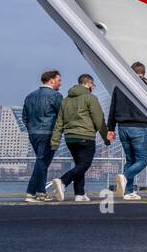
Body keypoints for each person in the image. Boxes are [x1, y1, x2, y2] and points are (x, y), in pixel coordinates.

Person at [47, 74, 113, 202]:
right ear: (89, 84)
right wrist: (106, 138)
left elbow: (59, 122)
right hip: (85, 136)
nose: (93, 87)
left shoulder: (66, 100)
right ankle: (63, 181)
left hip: (70, 138)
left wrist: (55, 141)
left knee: (79, 165)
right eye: (93, 85)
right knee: (84, 164)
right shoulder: (91, 98)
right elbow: (99, 119)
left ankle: (80, 194)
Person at [108, 61, 147, 200]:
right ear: (143, 73)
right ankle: (124, 177)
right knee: (142, 161)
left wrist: (110, 129)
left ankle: (128, 192)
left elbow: (112, 109)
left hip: (122, 128)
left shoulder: (119, 87)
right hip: (139, 127)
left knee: (130, 161)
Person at [21, 69, 63, 202]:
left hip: (33, 134)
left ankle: (41, 192)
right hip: (48, 133)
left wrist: (31, 129)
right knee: (42, 162)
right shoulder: (56, 96)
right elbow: (62, 116)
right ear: (51, 80)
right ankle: (30, 192)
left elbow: (24, 117)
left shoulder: (30, 96)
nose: (60, 83)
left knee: (42, 163)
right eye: (58, 80)